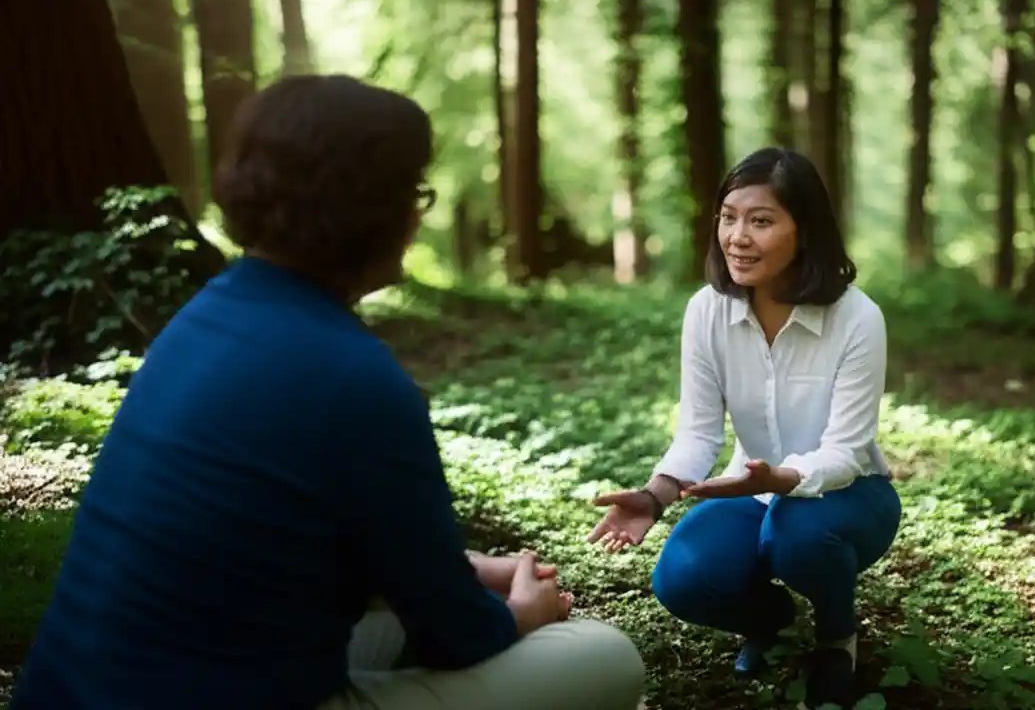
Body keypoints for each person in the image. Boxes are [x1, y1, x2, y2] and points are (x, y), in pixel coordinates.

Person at [13, 75, 644, 710]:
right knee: (605, 657)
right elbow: (460, 635)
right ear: (377, 208)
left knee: (391, 621)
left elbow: (288, 533)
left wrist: (469, 570)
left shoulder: (206, 316)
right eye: (413, 192)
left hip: (83, 690)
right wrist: (520, 616)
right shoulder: (356, 378)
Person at [587, 148, 901, 710]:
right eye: (728, 217)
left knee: (798, 532)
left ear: (804, 232)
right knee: (681, 578)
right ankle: (774, 620)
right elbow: (698, 432)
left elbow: (848, 452)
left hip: (850, 496)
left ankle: (836, 637)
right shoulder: (707, 311)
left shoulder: (857, 317)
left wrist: (782, 479)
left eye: (761, 221)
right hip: (753, 491)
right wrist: (654, 497)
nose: (737, 237)